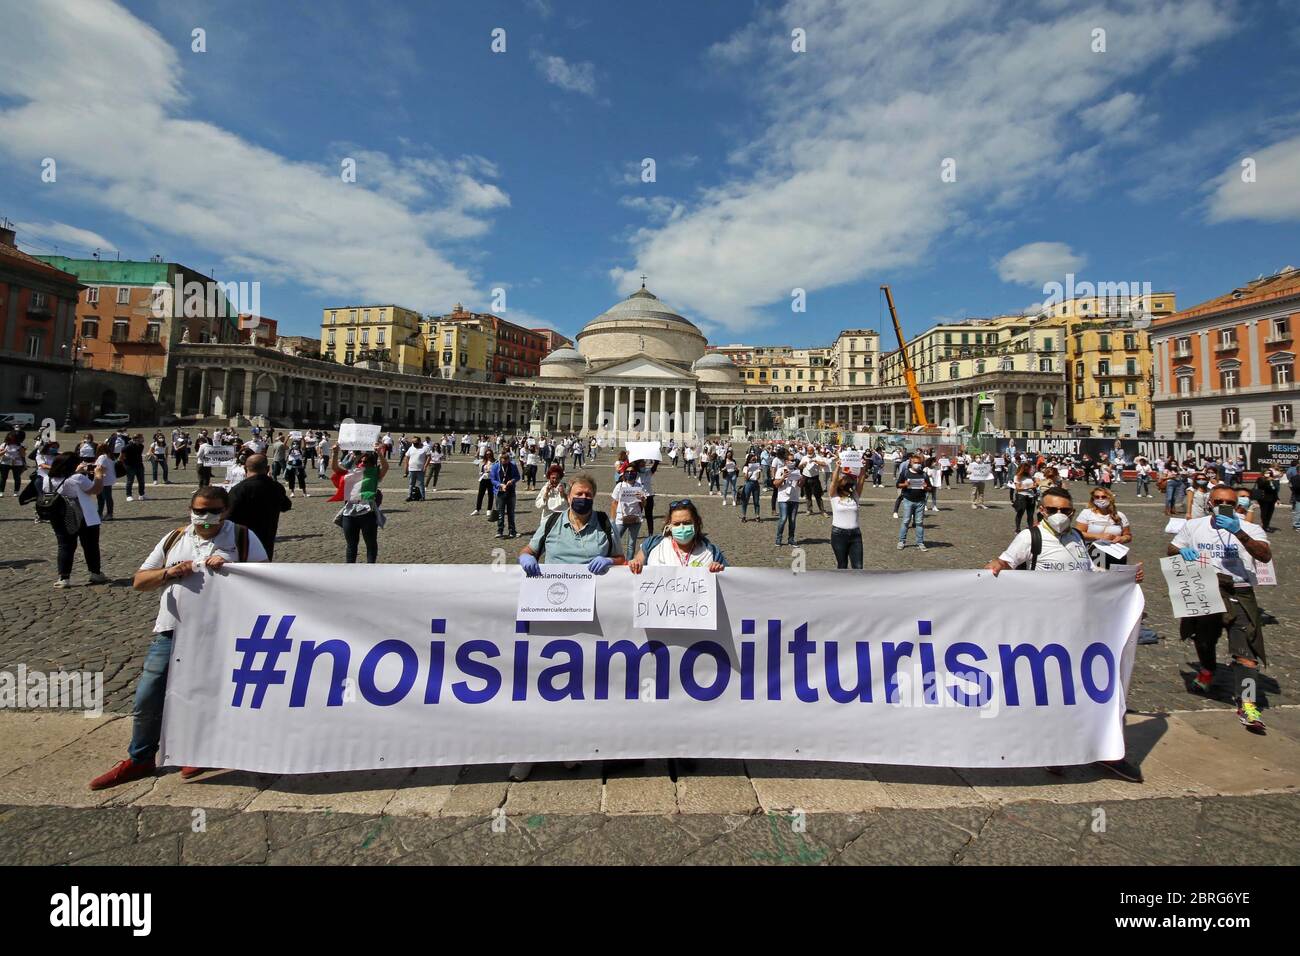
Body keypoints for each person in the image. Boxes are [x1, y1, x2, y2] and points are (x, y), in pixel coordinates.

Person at [88, 486, 268, 789]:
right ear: (190, 509)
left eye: (213, 511)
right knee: (149, 694)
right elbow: (140, 581)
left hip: (222, 631)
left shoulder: (242, 537)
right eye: (199, 511)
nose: (205, 517)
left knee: (209, 692)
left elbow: (265, 579)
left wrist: (233, 569)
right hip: (172, 627)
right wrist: (170, 572)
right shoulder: (174, 538)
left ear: (225, 511)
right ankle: (140, 757)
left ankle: (200, 750)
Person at [985, 486, 1145, 781]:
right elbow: (1007, 562)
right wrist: (996, 565)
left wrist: (1121, 579)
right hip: (1043, 629)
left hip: (1079, 628)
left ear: (1072, 512)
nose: (1060, 515)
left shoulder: (1075, 537)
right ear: (1042, 511)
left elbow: (1087, 572)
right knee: (1050, 691)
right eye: (1053, 510)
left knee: (1087, 688)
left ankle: (1101, 749)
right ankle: (1052, 749)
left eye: (1066, 511)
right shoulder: (1030, 537)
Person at [515, 473, 616, 782]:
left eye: (587, 493)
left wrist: (611, 562)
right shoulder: (551, 522)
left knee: (576, 686)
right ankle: (526, 753)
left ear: (594, 496)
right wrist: (525, 558)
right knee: (537, 684)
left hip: (587, 617)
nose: (582, 497)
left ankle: (568, 747)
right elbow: (528, 551)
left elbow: (622, 558)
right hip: (548, 613)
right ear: (569, 496)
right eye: (577, 493)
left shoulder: (604, 524)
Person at [1170, 484, 1272, 733]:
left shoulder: (1250, 528)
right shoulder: (1194, 526)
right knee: (1203, 639)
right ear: (1209, 504)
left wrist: (1240, 534)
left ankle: (1248, 703)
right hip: (1204, 586)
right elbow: (1171, 548)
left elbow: (1265, 555)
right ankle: (1206, 670)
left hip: (1238, 590)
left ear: (1237, 505)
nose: (1222, 506)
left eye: (1228, 502)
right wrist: (1182, 552)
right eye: (1217, 502)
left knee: (1246, 651)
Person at [33, 452, 110, 588]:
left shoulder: (47, 479)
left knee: (65, 546)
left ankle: (64, 578)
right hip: (83, 515)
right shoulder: (78, 478)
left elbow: (63, 484)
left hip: (59, 515)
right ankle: (95, 573)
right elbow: (95, 490)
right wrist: (98, 475)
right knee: (90, 545)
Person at [629, 498, 726, 572]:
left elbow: (729, 583)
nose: (682, 527)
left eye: (687, 523)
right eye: (676, 524)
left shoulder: (712, 552)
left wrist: (720, 571)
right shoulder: (651, 544)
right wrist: (635, 563)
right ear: (669, 525)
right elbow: (637, 562)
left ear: (696, 522)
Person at [227, 453, 292, 561]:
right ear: (267, 469)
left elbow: (228, 515)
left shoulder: (239, 489)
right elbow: (286, 506)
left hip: (242, 539)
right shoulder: (276, 487)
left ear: (245, 468)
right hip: (267, 537)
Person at [330, 443, 388, 563]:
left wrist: (379, 454)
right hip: (349, 513)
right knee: (351, 545)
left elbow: (385, 467)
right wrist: (335, 453)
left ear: (372, 464)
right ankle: (350, 570)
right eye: (360, 461)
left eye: (365, 461)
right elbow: (335, 468)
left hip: (368, 513)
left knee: (370, 544)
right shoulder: (351, 474)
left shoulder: (374, 474)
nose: (362, 463)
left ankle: (370, 568)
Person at [1075, 486, 1131, 569]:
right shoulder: (1087, 513)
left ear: (1110, 498)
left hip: (1116, 553)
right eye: (1097, 497)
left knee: (1116, 579)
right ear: (1093, 499)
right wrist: (1098, 536)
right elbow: (1078, 534)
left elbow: (1128, 536)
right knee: (1098, 578)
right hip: (1095, 552)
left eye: (1103, 497)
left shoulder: (1119, 515)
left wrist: (1121, 539)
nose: (1100, 499)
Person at [827, 461, 866, 569]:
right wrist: (838, 467)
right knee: (842, 565)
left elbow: (861, 481)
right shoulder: (834, 496)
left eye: (851, 483)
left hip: (855, 534)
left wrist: (862, 467)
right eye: (847, 482)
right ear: (841, 485)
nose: (850, 485)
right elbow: (834, 482)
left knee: (858, 566)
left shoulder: (855, 495)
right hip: (839, 534)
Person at [609, 467, 647, 560]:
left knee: (631, 544)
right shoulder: (620, 485)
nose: (630, 473)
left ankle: (629, 563)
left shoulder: (639, 486)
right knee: (614, 540)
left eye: (632, 471)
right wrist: (612, 520)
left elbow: (644, 504)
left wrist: (642, 499)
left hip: (636, 518)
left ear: (636, 474)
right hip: (620, 518)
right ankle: (613, 559)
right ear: (624, 473)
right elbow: (614, 503)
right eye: (627, 471)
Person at [896, 454, 931, 552]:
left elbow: (930, 488)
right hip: (908, 500)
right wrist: (905, 484)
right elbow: (898, 484)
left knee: (919, 523)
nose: (917, 465)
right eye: (915, 463)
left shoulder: (924, 474)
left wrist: (926, 487)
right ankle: (901, 541)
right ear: (911, 463)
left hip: (920, 501)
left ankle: (920, 542)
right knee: (906, 521)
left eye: (919, 463)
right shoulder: (905, 473)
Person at [772, 449, 803, 546]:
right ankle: (778, 538)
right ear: (785, 461)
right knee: (783, 518)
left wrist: (801, 479)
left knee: (792, 520)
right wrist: (783, 478)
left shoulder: (797, 471)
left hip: (794, 498)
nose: (792, 462)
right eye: (790, 460)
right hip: (783, 498)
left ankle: (791, 538)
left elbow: (800, 485)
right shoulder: (781, 470)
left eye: (793, 461)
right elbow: (776, 484)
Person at [490, 449, 521, 538]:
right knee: (500, 512)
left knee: (511, 512)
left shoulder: (513, 465)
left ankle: (512, 531)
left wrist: (512, 481)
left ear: (509, 460)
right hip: (500, 492)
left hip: (511, 491)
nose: (505, 463)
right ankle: (500, 530)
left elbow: (518, 476)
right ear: (500, 460)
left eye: (506, 461)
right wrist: (500, 485)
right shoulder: (495, 466)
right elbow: (492, 480)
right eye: (503, 461)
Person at [94, 441, 119, 520]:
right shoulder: (109, 456)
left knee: (103, 497)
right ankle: (102, 513)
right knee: (105, 497)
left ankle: (108, 514)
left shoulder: (102, 457)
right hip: (108, 479)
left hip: (103, 480)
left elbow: (101, 468)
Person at [402, 437, 431, 502]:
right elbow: (406, 457)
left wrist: (425, 466)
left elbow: (429, 457)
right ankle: (409, 496)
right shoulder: (411, 448)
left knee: (421, 484)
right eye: (413, 442)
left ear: (419, 441)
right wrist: (406, 469)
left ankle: (422, 497)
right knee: (411, 484)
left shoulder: (425, 448)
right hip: (411, 469)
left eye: (415, 442)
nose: (414, 444)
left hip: (420, 469)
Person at [1012, 462, 1037, 533]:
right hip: (1022, 496)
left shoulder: (1029, 476)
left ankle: (1030, 528)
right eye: (1027, 469)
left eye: (1029, 469)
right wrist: (1029, 487)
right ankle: (1017, 528)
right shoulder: (1017, 477)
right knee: (1020, 513)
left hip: (1031, 496)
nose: (1028, 470)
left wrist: (1035, 485)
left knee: (1030, 514)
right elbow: (1018, 488)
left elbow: (1032, 485)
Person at [0, 431, 26, 498]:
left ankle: (16, 492)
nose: (12, 438)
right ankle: (1, 492)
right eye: (11, 436)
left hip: (17, 464)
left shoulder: (21, 445)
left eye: (14, 437)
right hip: (5, 463)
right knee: (3, 478)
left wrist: (21, 450)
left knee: (17, 478)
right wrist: (4, 451)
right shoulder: (4, 444)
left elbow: (23, 455)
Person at [121, 434, 147, 501]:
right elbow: (122, 455)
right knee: (130, 481)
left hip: (139, 465)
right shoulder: (128, 447)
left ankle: (142, 494)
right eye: (141, 438)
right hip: (130, 466)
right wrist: (124, 464)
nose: (143, 439)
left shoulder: (141, 446)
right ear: (137, 439)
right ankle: (128, 495)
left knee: (141, 481)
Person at [739, 452, 763, 522]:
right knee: (745, 500)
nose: (753, 461)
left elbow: (758, 477)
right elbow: (745, 478)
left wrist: (758, 470)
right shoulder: (746, 467)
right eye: (752, 460)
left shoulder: (757, 466)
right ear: (749, 460)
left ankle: (757, 516)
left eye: (754, 460)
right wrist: (749, 470)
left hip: (756, 483)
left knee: (756, 501)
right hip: (748, 483)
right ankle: (744, 516)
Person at [470, 448, 495, 516]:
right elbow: (475, 462)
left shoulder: (495, 462)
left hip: (491, 480)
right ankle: (477, 509)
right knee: (480, 495)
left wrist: (491, 472)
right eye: (487, 454)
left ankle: (489, 509)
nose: (488, 455)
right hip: (483, 479)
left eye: (489, 454)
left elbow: (497, 471)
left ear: (492, 454)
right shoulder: (482, 461)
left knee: (491, 495)